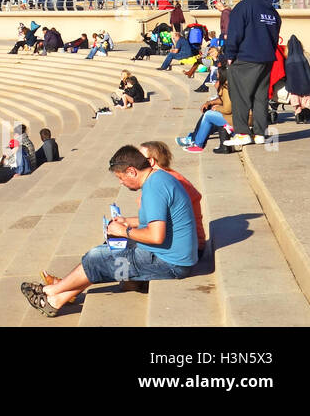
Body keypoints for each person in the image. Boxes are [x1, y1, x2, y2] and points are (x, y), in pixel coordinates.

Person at [20, 145, 197, 317]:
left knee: (96, 257)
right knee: (109, 249)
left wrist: (124, 232)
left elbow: (156, 236)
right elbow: (154, 221)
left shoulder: (154, 189)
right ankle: (58, 298)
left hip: (171, 264)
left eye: (121, 177)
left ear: (132, 171)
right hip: (171, 255)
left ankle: (49, 292)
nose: (121, 182)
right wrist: (126, 222)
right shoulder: (158, 179)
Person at [224, 0, 282, 148]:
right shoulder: (272, 10)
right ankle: (259, 133)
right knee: (260, 97)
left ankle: (242, 133)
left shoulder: (243, 7)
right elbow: (276, 32)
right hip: (266, 59)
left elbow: (235, 33)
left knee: (240, 96)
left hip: (245, 59)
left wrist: (230, 54)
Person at [140, 141, 205, 257]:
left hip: (189, 248)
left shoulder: (160, 183)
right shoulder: (171, 176)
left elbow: (153, 227)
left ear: (151, 161)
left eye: (139, 158)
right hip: (193, 244)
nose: (135, 161)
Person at [176, 83, 234, 152]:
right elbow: (224, 100)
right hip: (236, 116)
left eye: (217, 77)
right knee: (209, 112)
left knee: (208, 115)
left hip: (237, 119)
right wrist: (210, 103)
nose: (216, 82)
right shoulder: (228, 84)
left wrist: (217, 108)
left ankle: (198, 144)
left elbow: (227, 109)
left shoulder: (228, 85)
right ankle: (194, 138)